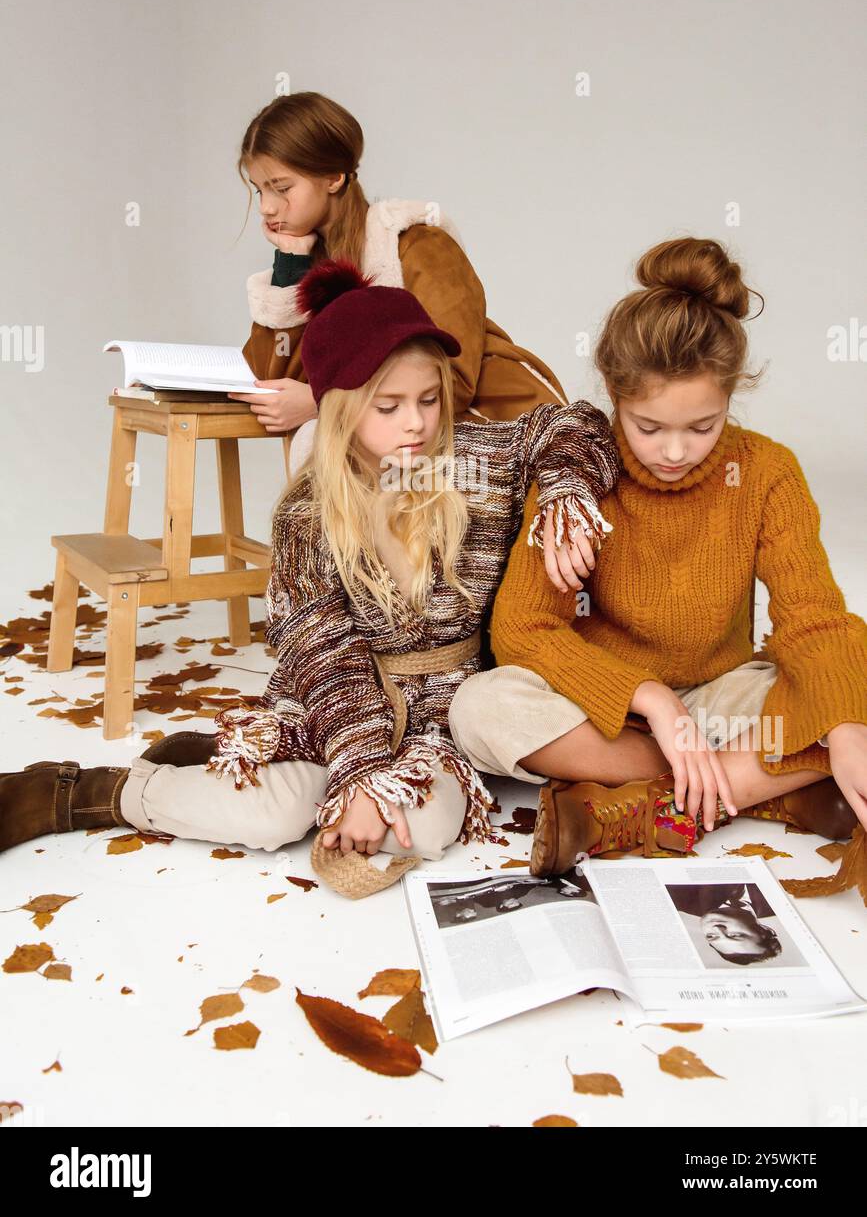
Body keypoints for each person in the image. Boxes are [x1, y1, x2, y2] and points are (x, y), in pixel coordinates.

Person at [2, 259, 621, 901]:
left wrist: (564, 492)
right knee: (269, 818)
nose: (416, 422)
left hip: (443, 716)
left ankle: (324, 798)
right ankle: (95, 793)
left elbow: (574, 424)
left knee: (420, 824)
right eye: (389, 406)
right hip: (330, 704)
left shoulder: (474, 460)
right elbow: (325, 653)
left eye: (428, 400)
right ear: (341, 408)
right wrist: (360, 776)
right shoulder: (308, 515)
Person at [448, 237, 867, 875]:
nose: (675, 452)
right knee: (479, 708)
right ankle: (756, 789)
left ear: (730, 399)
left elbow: (815, 619)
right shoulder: (579, 474)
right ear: (616, 398)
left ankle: (641, 805)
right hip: (605, 711)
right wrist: (652, 701)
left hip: (722, 696)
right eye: (649, 428)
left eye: (703, 427)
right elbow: (522, 630)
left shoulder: (767, 472)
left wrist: (843, 725)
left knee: (851, 688)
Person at [225, 89, 569, 476]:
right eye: (260, 190)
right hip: (398, 443)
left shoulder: (419, 244)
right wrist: (290, 264)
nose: (267, 207)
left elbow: (450, 378)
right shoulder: (312, 262)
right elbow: (273, 379)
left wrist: (324, 402)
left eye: (282, 188)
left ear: (334, 178)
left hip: (491, 425)